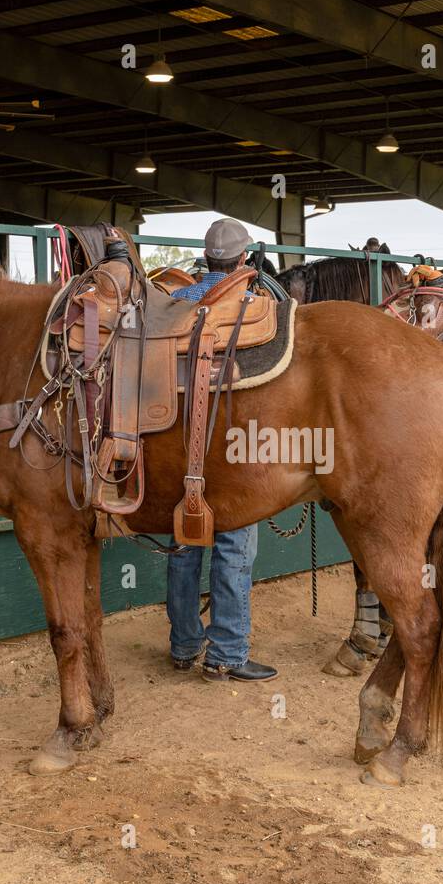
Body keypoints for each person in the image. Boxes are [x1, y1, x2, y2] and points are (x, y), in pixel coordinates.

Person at [165, 218, 276, 683]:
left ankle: (184, 644)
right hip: (234, 445)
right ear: (245, 261)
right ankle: (227, 653)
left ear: (206, 258)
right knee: (233, 545)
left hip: (174, 446)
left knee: (184, 544)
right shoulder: (260, 309)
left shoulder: (175, 304)